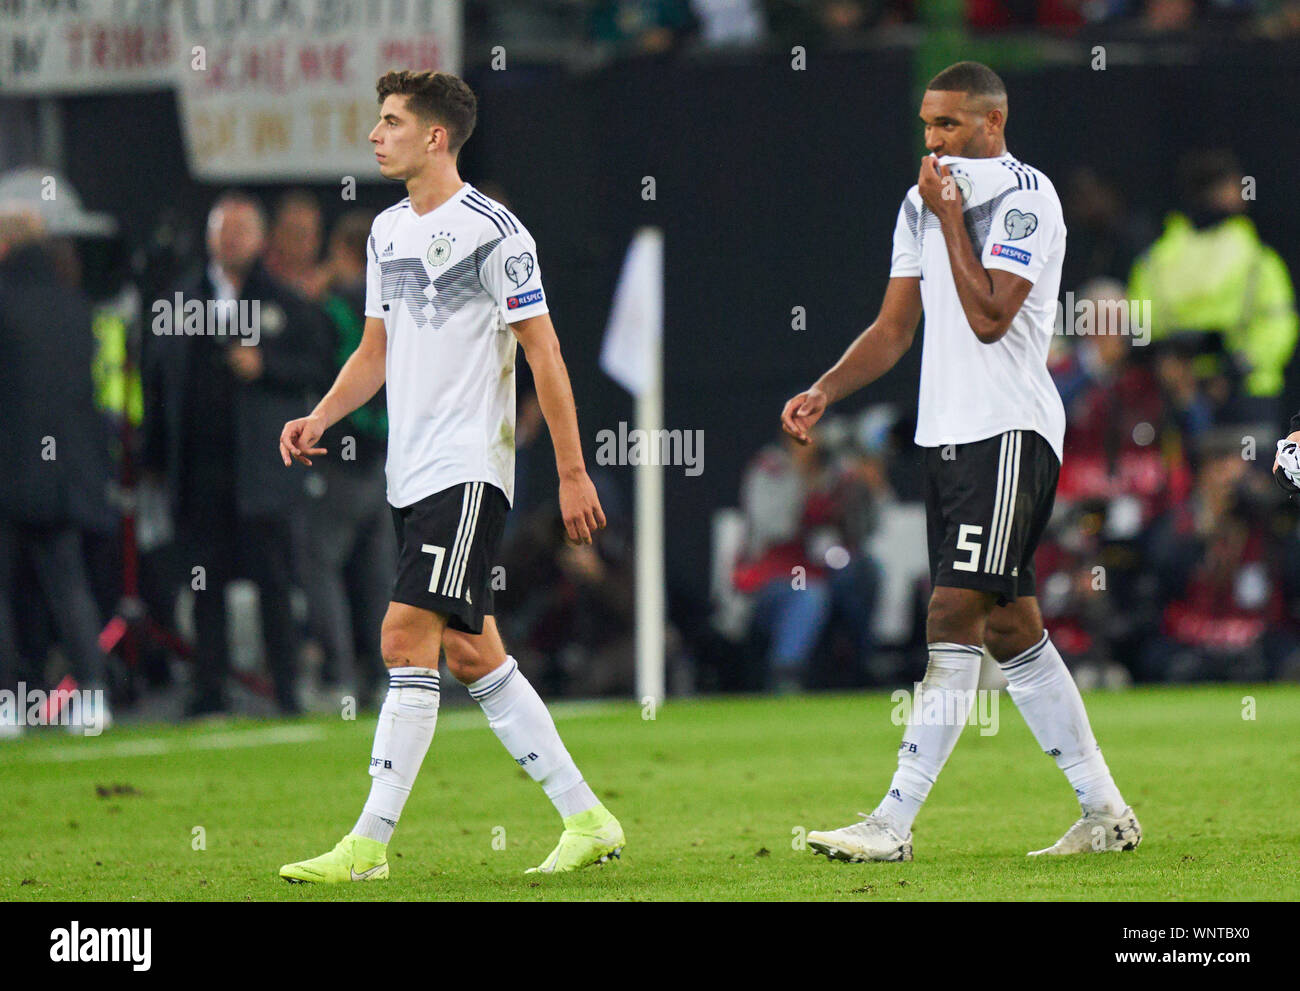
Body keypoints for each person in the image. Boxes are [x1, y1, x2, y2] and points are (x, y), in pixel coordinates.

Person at [780, 61, 1140, 861]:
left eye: (947, 125)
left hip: (1009, 434)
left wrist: (950, 217)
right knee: (1012, 629)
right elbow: (893, 329)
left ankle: (893, 821)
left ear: (992, 122)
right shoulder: (918, 202)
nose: (933, 140)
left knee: (950, 616)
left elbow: (988, 317)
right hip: (947, 438)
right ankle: (1106, 812)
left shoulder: (1025, 197)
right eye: (925, 125)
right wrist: (825, 389)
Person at [277, 69, 623, 881]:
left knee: (404, 637)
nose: (375, 134)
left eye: (391, 121)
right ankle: (588, 815)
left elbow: (545, 353)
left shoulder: (496, 233)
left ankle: (367, 843)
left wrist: (573, 473)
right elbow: (375, 351)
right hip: (410, 471)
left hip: (468, 471)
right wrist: (322, 415)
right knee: (472, 655)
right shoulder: (386, 232)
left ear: (436, 136)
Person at [141, 192, 330, 717]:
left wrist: (264, 365)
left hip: (263, 473)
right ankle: (209, 690)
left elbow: (320, 365)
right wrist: (154, 461)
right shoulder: (179, 304)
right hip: (201, 476)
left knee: (274, 586)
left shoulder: (289, 304)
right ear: (209, 238)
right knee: (206, 588)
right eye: (223, 230)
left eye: (242, 230)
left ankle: (288, 690)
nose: (231, 240)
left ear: (260, 239)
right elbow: (157, 386)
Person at [0, 206, 115, 736]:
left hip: (9, 474)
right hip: (66, 476)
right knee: (68, 589)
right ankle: (91, 697)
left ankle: (8, 704)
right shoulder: (76, 307)